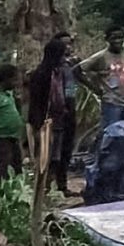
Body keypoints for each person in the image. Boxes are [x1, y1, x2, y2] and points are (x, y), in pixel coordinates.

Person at [77, 24, 124, 133]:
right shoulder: (101, 56)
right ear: (107, 39)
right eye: (114, 38)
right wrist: (95, 89)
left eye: (120, 37)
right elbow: (77, 70)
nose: (117, 41)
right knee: (111, 135)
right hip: (111, 103)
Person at [28, 39, 70, 193]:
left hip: (58, 120)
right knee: (44, 158)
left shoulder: (58, 74)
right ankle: (41, 191)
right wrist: (38, 124)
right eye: (62, 56)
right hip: (45, 122)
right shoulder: (41, 75)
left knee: (55, 158)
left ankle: (48, 189)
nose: (64, 59)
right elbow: (37, 102)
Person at [54, 31, 80, 194]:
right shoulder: (53, 68)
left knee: (66, 149)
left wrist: (99, 90)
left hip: (71, 109)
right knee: (55, 150)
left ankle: (62, 185)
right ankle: (50, 186)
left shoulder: (70, 66)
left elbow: (81, 77)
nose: (68, 47)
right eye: (64, 44)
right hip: (58, 113)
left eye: (70, 43)